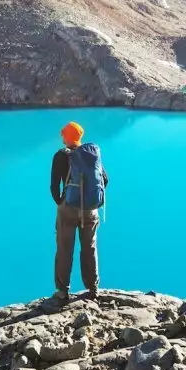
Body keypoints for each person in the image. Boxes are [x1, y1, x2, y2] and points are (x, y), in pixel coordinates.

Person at [50, 121, 108, 301]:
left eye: (63, 134)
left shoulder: (61, 155)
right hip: (90, 211)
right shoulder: (91, 155)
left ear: (67, 136)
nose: (61, 137)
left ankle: (62, 291)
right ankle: (93, 288)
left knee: (64, 249)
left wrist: (61, 202)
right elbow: (105, 180)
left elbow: (54, 186)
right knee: (89, 248)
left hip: (69, 209)